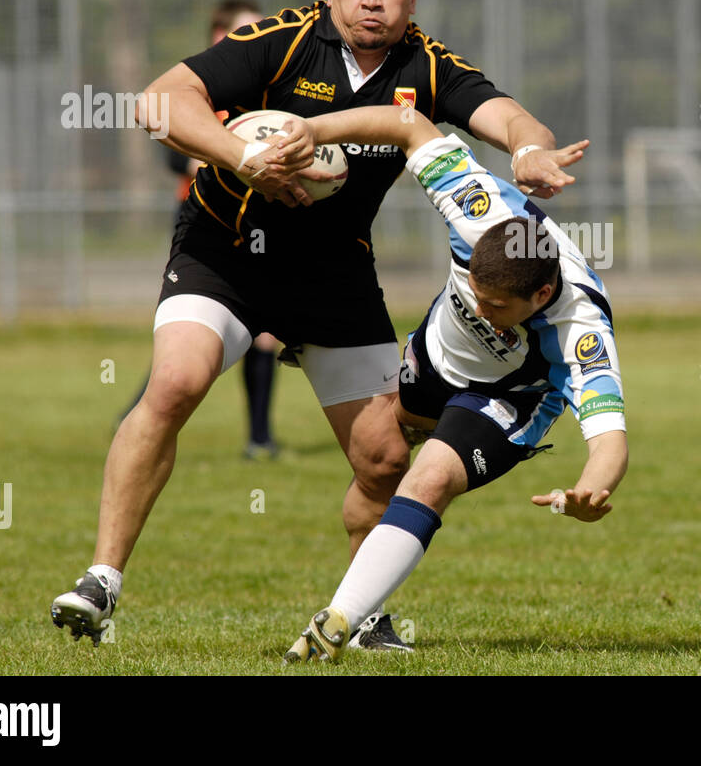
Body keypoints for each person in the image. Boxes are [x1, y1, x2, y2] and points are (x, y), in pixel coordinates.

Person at [50, 0, 583, 650]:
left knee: (384, 458)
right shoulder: (284, 41)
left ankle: (360, 615)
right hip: (226, 254)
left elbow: (511, 117)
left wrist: (528, 148)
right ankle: (101, 581)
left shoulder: (427, 67)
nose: (372, 1)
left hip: (334, 273)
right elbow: (157, 101)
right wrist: (245, 157)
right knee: (176, 381)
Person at [264, 105, 626, 659]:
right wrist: (314, 130)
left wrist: (592, 489)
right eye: (476, 293)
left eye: (496, 306)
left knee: (428, 479)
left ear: (542, 297)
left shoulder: (580, 326)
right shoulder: (476, 207)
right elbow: (407, 124)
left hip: (507, 399)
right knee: (380, 464)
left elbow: (610, 440)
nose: (482, 308)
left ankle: (337, 622)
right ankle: (371, 620)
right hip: (432, 359)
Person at [118, 0, 283, 460]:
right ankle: (140, 413)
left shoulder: (267, 90)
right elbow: (167, 141)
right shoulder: (202, 85)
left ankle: (260, 438)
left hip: (259, 223)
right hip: (203, 223)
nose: (257, 38)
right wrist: (215, 156)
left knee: (264, 331)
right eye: (246, 30)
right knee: (190, 337)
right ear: (218, 34)